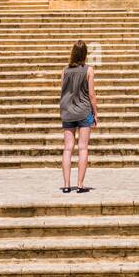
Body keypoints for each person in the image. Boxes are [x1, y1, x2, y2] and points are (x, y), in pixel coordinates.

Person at [59, 41, 98, 193]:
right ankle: (80, 184)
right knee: (83, 148)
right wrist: (95, 113)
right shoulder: (89, 70)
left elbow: (63, 91)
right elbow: (92, 94)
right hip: (83, 111)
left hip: (67, 111)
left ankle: (66, 184)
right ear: (85, 54)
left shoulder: (65, 70)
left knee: (67, 148)